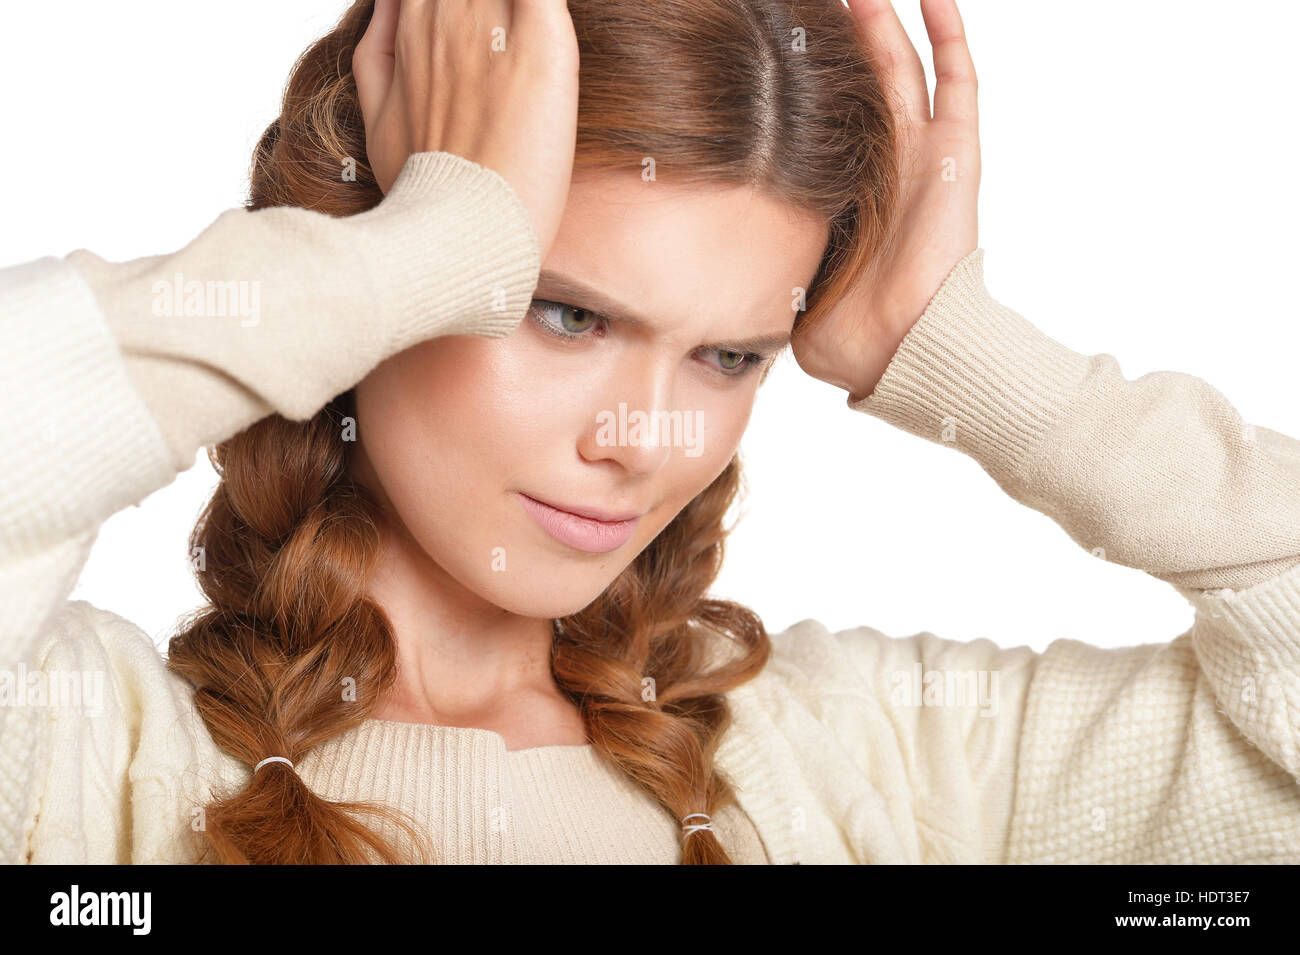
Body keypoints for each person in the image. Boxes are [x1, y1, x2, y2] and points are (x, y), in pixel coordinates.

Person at [2, 0, 1297, 865]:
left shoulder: (875, 768)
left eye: (730, 356)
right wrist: (400, 261)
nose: (649, 438)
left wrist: (974, 361)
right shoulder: (80, 764)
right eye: (564, 313)